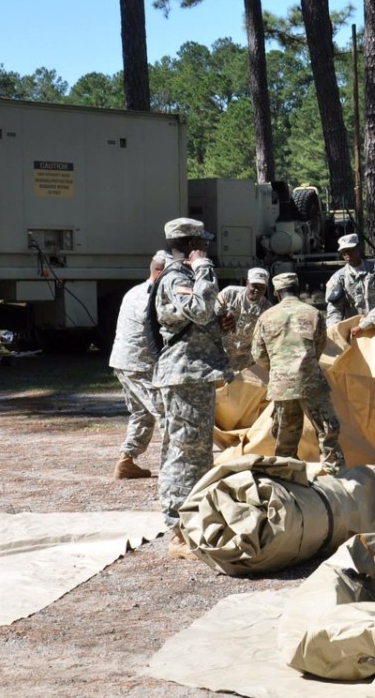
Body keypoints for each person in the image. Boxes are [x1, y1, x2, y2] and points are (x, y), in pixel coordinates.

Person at [153, 217, 232, 560]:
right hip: (183, 376)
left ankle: (191, 524)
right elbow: (198, 310)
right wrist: (204, 269)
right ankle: (178, 534)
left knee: (195, 453)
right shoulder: (176, 277)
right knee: (186, 454)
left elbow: (200, 317)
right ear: (190, 247)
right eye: (203, 245)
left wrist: (221, 321)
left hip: (193, 375)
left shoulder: (184, 278)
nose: (208, 250)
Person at [252, 271, 346, 475]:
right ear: (298, 289)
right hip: (310, 380)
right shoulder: (313, 313)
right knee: (327, 429)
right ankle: (335, 475)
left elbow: (258, 354)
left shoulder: (266, 316)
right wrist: (305, 364)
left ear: (276, 293)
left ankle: (286, 477)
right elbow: (320, 345)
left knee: (285, 435)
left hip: (281, 385)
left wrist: (279, 367)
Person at [107, 250, 168, 480]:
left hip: (124, 361)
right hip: (140, 365)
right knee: (165, 413)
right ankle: (174, 468)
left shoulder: (134, 292)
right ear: (160, 272)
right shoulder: (154, 296)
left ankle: (126, 461)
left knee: (142, 414)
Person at [324, 232, 375, 327]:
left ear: (359, 248)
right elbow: (334, 310)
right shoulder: (338, 278)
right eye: (344, 252)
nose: (347, 254)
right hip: (354, 331)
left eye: (350, 250)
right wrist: (335, 330)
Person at [217, 267, 272, 372]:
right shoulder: (229, 294)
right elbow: (212, 315)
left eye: (262, 287)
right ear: (247, 283)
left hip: (245, 359)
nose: (257, 290)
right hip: (222, 355)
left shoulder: (267, 309)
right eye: (254, 286)